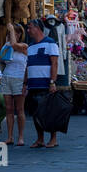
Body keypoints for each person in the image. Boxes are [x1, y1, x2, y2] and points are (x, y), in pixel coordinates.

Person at [24, 18, 61, 148]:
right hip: (34, 85)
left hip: (46, 84)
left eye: (30, 28)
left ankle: (53, 138)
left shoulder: (50, 43)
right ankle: (40, 139)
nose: (28, 31)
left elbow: (54, 63)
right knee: (36, 113)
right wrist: (25, 84)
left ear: (38, 28)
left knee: (49, 112)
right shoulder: (31, 46)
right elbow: (28, 65)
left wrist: (52, 82)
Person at [0, 22, 29, 146]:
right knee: (9, 109)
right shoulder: (7, 45)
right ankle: (10, 136)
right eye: (13, 32)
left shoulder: (23, 46)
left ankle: (21, 136)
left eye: (17, 33)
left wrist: (25, 83)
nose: (14, 34)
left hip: (19, 78)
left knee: (19, 109)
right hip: (7, 77)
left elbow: (14, 44)